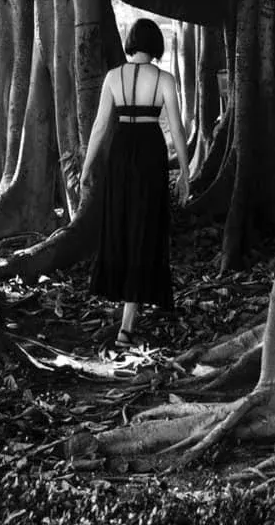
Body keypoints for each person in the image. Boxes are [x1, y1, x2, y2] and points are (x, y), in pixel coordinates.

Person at [80, 17, 191, 349]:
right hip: (150, 153)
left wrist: (87, 167)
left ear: (131, 43)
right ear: (155, 44)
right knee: (145, 227)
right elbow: (177, 129)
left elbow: (100, 127)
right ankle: (128, 321)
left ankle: (126, 311)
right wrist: (185, 171)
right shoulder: (165, 79)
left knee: (121, 224)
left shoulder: (114, 77)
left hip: (120, 151)